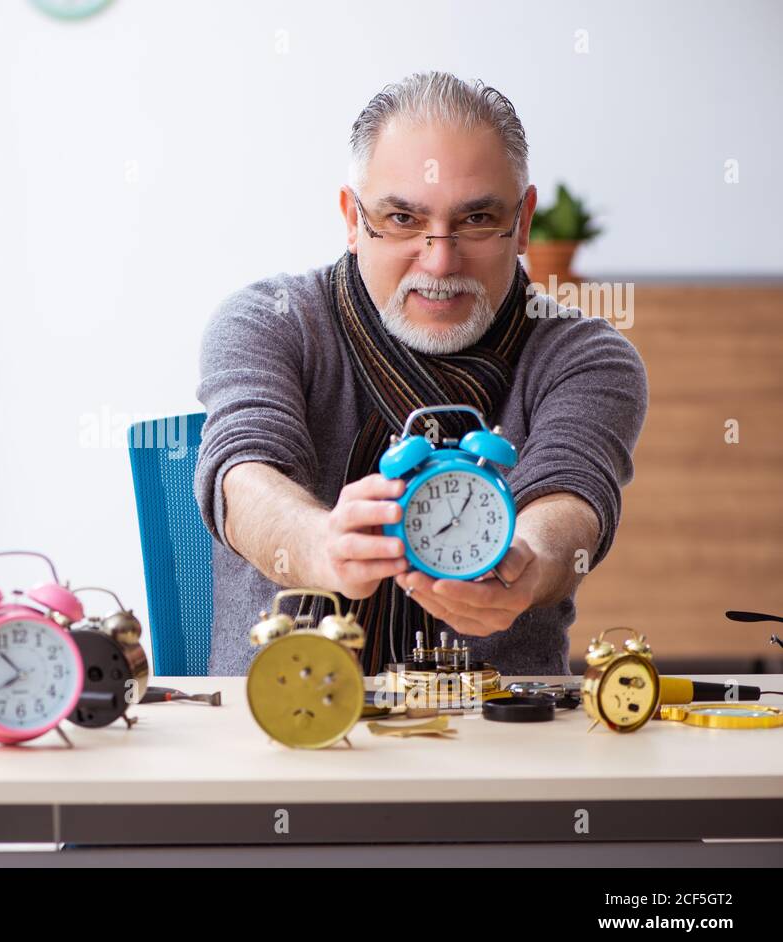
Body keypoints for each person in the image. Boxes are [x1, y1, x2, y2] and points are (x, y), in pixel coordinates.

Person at [193, 71, 647, 677]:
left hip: (500, 732)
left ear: (524, 220)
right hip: (283, 722)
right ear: (353, 219)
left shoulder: (585, 355)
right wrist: (320, 545)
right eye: (403, 218)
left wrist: (526, 563)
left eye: (478, 219)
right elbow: (244, 471)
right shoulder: (267, 322)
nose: (440, 259)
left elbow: (570, 497)